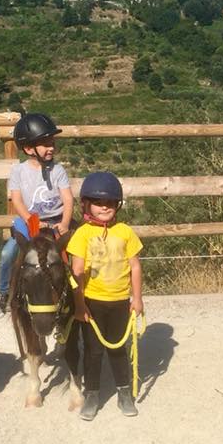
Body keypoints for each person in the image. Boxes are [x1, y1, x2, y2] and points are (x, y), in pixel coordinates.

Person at [67, 171, 143, 421]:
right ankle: (92, 394)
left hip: (120, 301)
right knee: (93, 350)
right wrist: (79, 305)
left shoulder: (125, 232)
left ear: (117, 205)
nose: (105, 207)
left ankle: (124, 392)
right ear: (86, 205)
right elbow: (77, 271)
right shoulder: (82, 234)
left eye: (110, 203)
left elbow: (135, 266)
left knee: (118, 348)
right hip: (92, 301)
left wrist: (137, 298)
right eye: (99, 203)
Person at [0, 112, 74, 321]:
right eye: (45, 143)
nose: (51, 147)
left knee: (78, 250)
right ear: (29, 148)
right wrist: (31, 219)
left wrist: (64, 223)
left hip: (56, 220)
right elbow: (16, 201)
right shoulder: (18, 171)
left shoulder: (58, 170)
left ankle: (76, 293)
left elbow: (69, 199)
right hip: (30, 220)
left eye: (51, 142)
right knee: (8, 254)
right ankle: (3, 294)